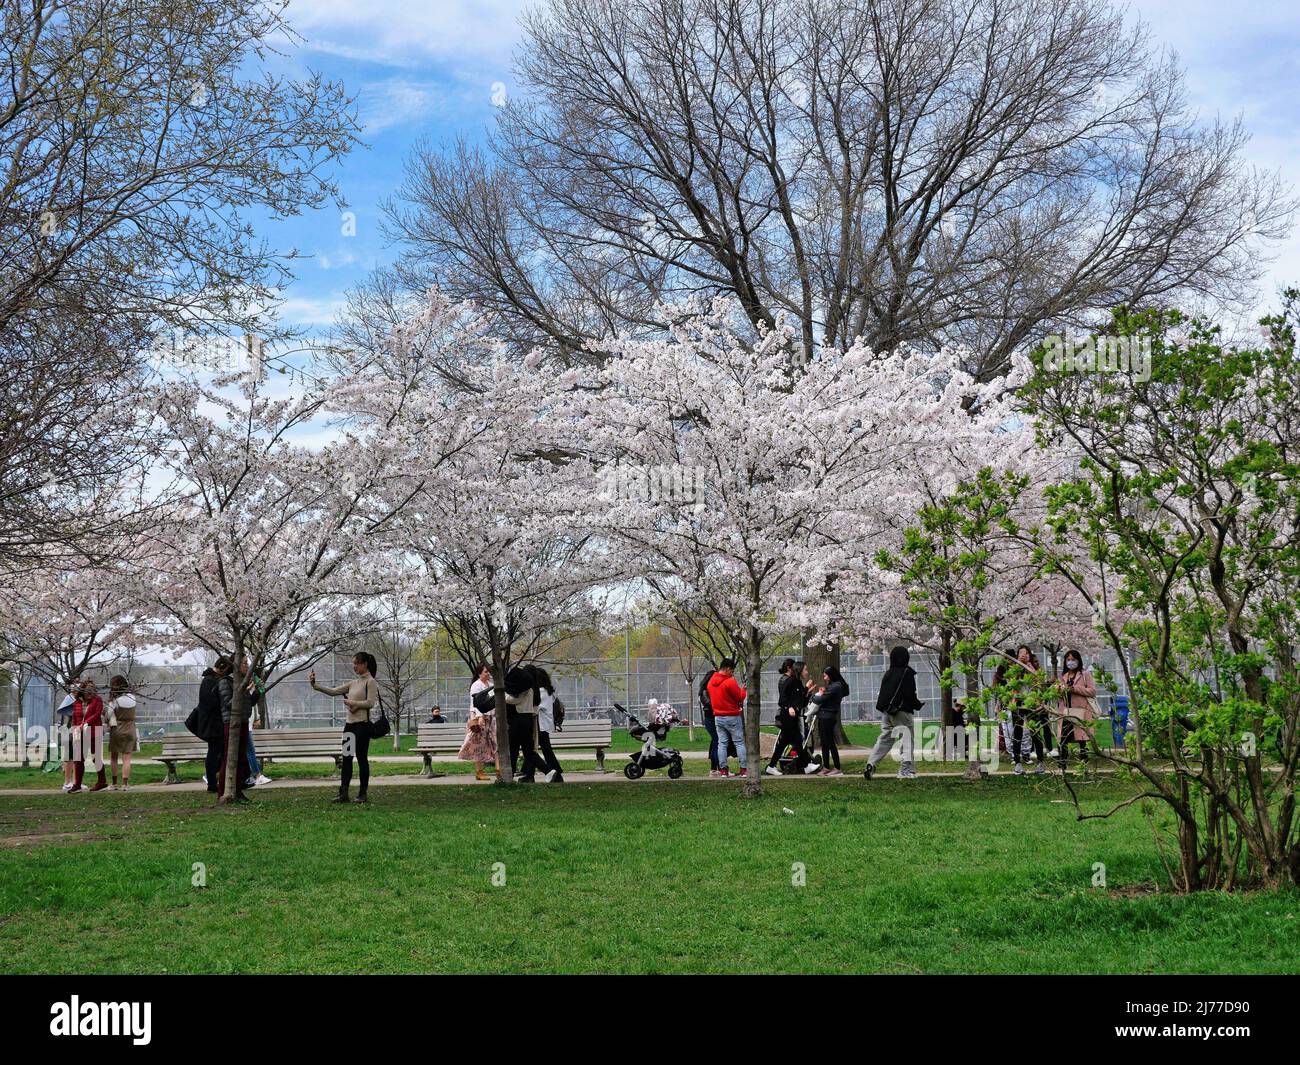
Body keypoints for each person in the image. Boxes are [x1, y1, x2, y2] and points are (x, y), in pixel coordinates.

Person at [310, 653, 379, 803]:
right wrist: (315, 686)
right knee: (347, 758)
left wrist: (353, 703)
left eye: (356, 663)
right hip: (350, 726)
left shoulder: (370, 682)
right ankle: (343, 793)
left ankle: (362, 793)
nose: (354, 666)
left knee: (362, 759)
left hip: (362, 726)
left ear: (365, 664)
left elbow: (370, 703)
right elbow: (334, 691)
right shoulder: (353, 683)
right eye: (353, 663)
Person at [865, 647, 922, 779]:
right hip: (901, 712)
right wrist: (917, 704)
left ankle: (871, 764)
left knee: (885, 739)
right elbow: (909, 694)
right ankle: (905, 770)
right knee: (907, 739)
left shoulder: (888, 673)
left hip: (886, 712)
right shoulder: (907, 672)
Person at [766, 658, 818, 776]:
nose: (807, 672)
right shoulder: (790, 681)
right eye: (805, 670)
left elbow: (801, 702)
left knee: (786, 742)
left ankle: (771, 766)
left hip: (793, 717)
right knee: (797, 740)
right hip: (787, 717)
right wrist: (789, 707)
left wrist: (808, 692)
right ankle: (806, 765)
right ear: (799, 670)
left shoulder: (798, 683)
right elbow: (783, 698)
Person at [503, 664, 549, 782]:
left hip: (519, 721)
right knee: (528, 751)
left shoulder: (525, 689)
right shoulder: (531, 688)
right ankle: (547, 771)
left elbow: (514, 700)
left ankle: (510, 775)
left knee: (514, 750)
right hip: (527, 721)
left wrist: (502, 695)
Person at [216, 657, 253, 801]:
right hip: (231, 724)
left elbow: (246, 703)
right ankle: (224, 791)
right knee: (230, 758)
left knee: (241, 758)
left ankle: (237, 790)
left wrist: (253, 692)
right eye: (244, 663)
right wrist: (241, 691)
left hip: (243, 721)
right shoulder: (226, 682)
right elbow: (229, 703)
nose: (247, 665)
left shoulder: (241, 682)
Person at [1006, 645, 1045, 776]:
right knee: (1018, 733)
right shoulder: (1014, 668)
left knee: (1035, 732)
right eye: (1021, 653)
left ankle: (1040, 762)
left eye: (1026, 653)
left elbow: (1038, 681)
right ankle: (1017, 762)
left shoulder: (1034, 668)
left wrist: (1029, 665)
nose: (1024, 655)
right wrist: (1018, 666)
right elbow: (1012, 683)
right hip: (1018, 703)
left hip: (1032, 703)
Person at [1055, 649, 1097, 768]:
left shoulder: (1085, 675)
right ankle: (1062, 763)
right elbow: (1059, 697)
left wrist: (1075, 689)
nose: (1070, 662)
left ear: (1078, 660)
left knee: (1082, 739)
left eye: (1073, 659)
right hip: (1066, 712)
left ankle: (1084, 764)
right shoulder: (1063, 676)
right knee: (1063, 738)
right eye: (1068, 660)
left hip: (1080, 712)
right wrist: (1058, 690)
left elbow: (1092, 691)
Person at [706, 658, 748, 777]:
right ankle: (744, 769)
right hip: (732, 716)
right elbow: (739, 697)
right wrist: (743, 690)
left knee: (722, 744)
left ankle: (723, 769)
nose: (732, 673)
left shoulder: (710, 682)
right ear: (728, 669)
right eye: (732, 670)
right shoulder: (730, 681)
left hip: (718, 717)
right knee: (739, 742)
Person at [193, 658, 228, 793]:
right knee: (214, 753)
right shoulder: (210, 681)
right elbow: (212, 703)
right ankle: (212, 783)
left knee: (216, 752)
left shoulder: (209, 679)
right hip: (212, 724)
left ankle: (213, 780)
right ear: (222, 668)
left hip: (212, 723)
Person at [460, 666, 498, 781]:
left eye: (488, 672)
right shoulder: (476, 685)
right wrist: (479, 716)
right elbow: (475, 703)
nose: (488, 674)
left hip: (491, 717)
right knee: (479, 745)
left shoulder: (490, 684)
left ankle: (499, 770)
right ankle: (479, 771)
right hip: (481, 718)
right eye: (486, 671)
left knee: (495, 743)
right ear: (479, 673)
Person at [809, 666, 849, 776]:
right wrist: (824, 692)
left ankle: (837, 767)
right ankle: (826, 767)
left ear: (831, 675)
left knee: (830, 742)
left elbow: (820, 699)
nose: (824, 677)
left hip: (828, 716)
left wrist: (813, 696)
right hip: (824, 716)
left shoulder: (836, 686)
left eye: (826, 675)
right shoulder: (834, 686)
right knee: (825, 743)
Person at [69, 678, 107, 793]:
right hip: (80, 733)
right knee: (78, 759)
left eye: (92, 690)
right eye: (88, 690)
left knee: (96, 758)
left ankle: (102, 783)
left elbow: (97, 714)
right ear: (83, 690)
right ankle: (77, 785)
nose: (90, 692)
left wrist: (85, 724)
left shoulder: (98, 700)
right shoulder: (77, 702)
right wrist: (74, 729)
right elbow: (75, 717)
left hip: (94, 731)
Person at [532, 666, 564, 783]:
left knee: (541, 750)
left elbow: (535, 707)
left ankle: (555, 770)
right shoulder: (548, 691)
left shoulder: (542, 692)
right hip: (544, 725)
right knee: (544, 749)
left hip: (541, 725)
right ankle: (529, 772)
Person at [105, 675, 137, 791]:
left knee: (114, 757)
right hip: (130, 728)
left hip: (117, 729)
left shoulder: (114, 701)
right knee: (127, 758)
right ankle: (125, 784)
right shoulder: (133, 697)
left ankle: (114, 784)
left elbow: (109, 714)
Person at [56, 685, 76, 791]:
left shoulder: (79, 700)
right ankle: (67, 782)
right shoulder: (70, 699)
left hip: (74, 729)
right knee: (69, 757)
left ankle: (76, 782)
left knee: (77, 757)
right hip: (69, 730)